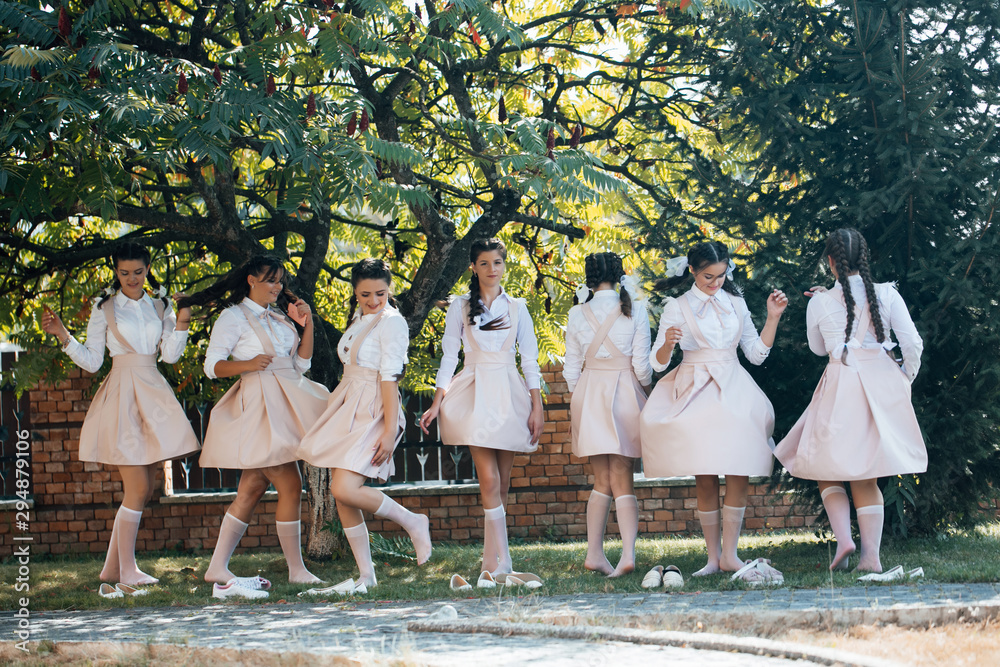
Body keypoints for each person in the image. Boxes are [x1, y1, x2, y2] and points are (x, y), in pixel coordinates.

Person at [41, 242, 200, 587]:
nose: (132, 278)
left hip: (153, 393)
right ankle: (127, 573)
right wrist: (63, 335)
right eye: (124, 272)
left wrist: (183, 319)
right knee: (138, 486)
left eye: (138, 272)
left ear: (147, 269)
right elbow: (93, 361)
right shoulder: (105, 308)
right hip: (122, 395)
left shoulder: (162, 306)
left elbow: (170, 356)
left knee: (144, 488)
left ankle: (112, 571)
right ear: (116, 271)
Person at [774, 228, 926, 573]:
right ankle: (870, 557)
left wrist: (822, 301)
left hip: (839, 385)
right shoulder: (887, 295)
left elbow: (817, 349)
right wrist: (905, 377)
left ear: (831, 262)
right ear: (865, 257)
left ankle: (844, 539)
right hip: (880, 384)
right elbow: (912, 343)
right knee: (866, 475)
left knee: (826, 467)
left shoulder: (819, 301)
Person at [180, 255, 329, 599]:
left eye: (280, 281)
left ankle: (217, 566)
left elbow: (302, 364)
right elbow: (211, 366)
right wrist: (247, 364)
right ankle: (296, 570)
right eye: (270, 281)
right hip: (261, 406)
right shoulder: (232, 317)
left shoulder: (280, 316)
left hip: (288, 399)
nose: (277, 287)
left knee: (251, 488)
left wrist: (306, 325)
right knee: (291, 483)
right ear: (251, 280)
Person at [640, 241, 788, 584]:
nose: (716, 282)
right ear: (692, 270)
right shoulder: (677, 307)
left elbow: (755, 354)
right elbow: (656, 364)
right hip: (695, 388)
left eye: (721, 275)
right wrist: (667, 345)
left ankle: (729, 554)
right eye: (708, 276)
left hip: (734, 386)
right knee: (704, 474)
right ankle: (711, 557)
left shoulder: (736, 303)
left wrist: (773, 318)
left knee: (738, 469)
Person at [297, 258, 431, 589]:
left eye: (380, 294)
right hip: (349, 402)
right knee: (343, 496)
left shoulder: (392, 323)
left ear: (390, 290)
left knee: (344, 488)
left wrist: (388, 430)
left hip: (373, 406)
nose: (373, 301)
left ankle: (413, 521)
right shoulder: (361, 318)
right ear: (355, 292)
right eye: (365, 294)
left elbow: (389, 378)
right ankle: (366, 575)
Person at [419, 238, 545, 587]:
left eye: (498, 263)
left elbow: (530, 360)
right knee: (488, 480)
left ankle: (490, 563)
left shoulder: (518, 307)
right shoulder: (459, 306)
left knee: (502, 484)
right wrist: (436, 400)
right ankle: (502, 564)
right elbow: (448, 357)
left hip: (509, 392)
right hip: (474, 391)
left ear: (505, 266)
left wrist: (538, 405)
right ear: (473, 267)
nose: (492, 270)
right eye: (485, 263)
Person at [563, 252, 651, 578]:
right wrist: (646, 390)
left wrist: (583, 395)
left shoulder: (575, 313)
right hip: (625, 391)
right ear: (619, 275)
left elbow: (571, 369)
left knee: (601, 478)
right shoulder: (636, 309)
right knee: (623, 476)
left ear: (589, 276)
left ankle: (594, 554)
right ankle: (627, 553)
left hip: (589, 394)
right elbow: (642, 367)